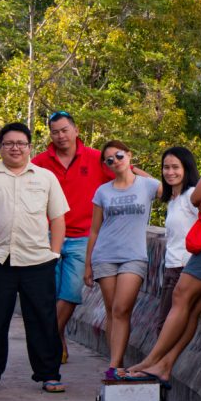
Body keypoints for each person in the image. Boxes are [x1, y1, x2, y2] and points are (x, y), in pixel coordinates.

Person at [126, 97, 201, 386]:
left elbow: (196, 195)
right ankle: (164, 366)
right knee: (192, 305)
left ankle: (150, 361)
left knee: (181, 295)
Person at [0, 122, 69, 395]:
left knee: (43, 320)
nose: (15, 148)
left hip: (38, 261)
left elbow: (58, 219)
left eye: (20, 143)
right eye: (9, 143)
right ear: (0, 147)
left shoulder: (46, 178)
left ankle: (49, 374)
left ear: (29, 147)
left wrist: (54, 254)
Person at [31, 110, 113, 364]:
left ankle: (49, 338)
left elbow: (126, 172)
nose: (60, 135)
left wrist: (163, 187)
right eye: (55, 131)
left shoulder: (96, 158)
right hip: (46, 235)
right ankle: (57, 341)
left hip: (82, 237)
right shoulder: (40, 162)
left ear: (76, 131)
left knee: (71, 292)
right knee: (50, 294)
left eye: (65, 130)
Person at [83, 140, 161, 378]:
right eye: (109, 160)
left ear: (128, 154)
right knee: (112, 311)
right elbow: (94, 230)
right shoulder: (103, 191)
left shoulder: (146, 185)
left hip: (134, 256)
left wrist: (137, 171)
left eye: (119, 156)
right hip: (105, 255)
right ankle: (115, 364)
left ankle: (114, 367)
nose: (115, 161)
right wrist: (87, 265)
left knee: (121, 308)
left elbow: (168, 189)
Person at [155, 147, 201, 334]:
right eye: (166, 167)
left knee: (165, 326)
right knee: (165, 325)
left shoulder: (192, 195)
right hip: (171, 267)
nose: (170, 172)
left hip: (184, 268)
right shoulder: (173, 200)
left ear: (186, 168)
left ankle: (159, 363)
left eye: (175, 167)